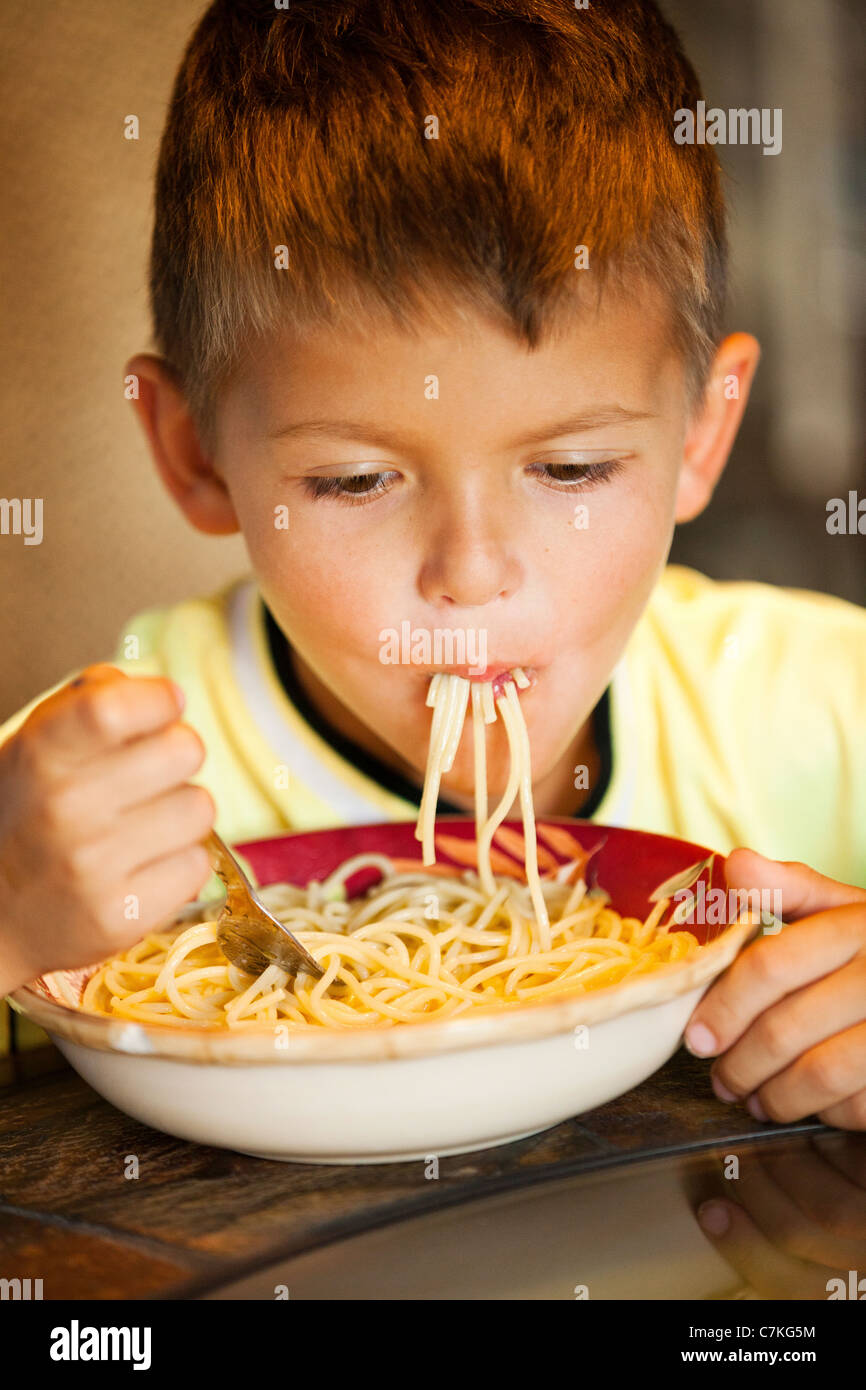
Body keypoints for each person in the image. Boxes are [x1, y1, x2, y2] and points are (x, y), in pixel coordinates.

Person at [1, 0, 864, 1129]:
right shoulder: (79, 804)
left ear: (701, 433)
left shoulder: (823, 701)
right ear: (195, 455)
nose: (471, 574)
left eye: (569, 468)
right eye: (354, 482)